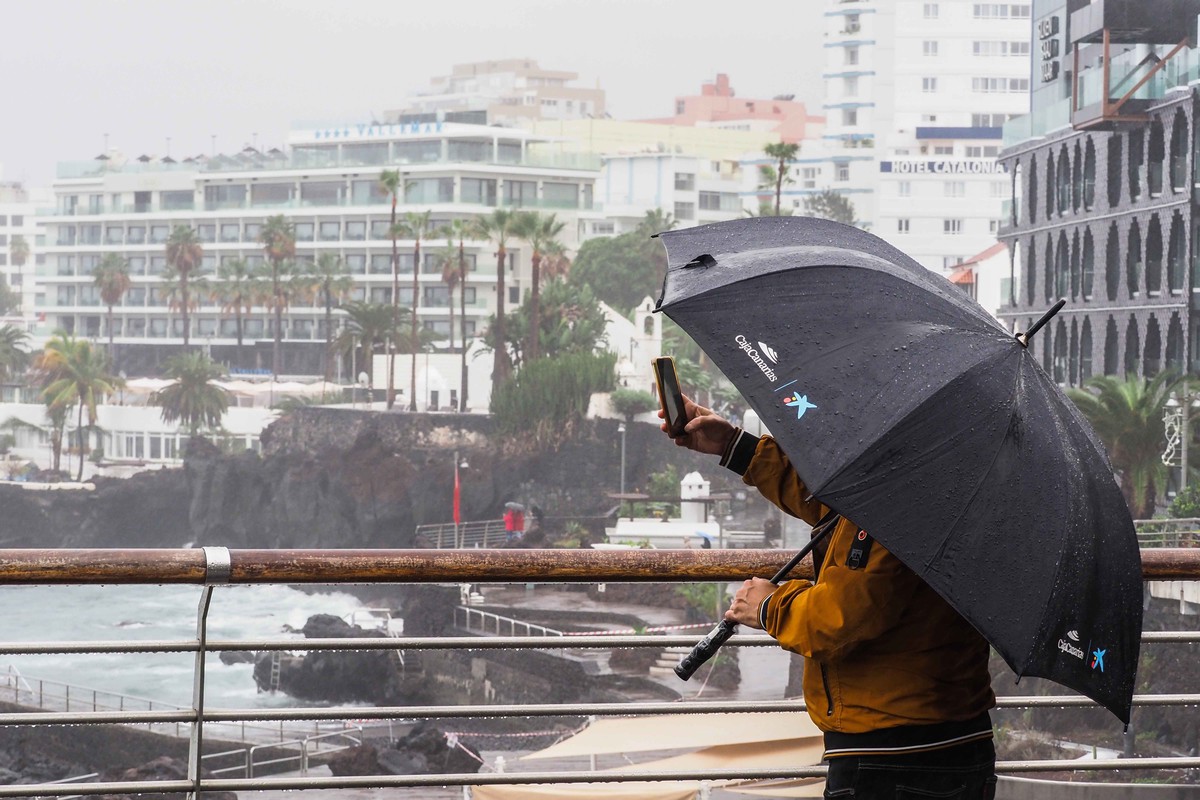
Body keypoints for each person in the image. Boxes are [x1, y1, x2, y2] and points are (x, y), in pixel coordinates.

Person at [662, 395, 997, 798]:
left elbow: (839, 620)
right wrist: (735, 445)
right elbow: (837, 504)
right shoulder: (945, 473)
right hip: (953, 738)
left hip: (893, 755)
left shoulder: (898, 500)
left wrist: (770, 605)